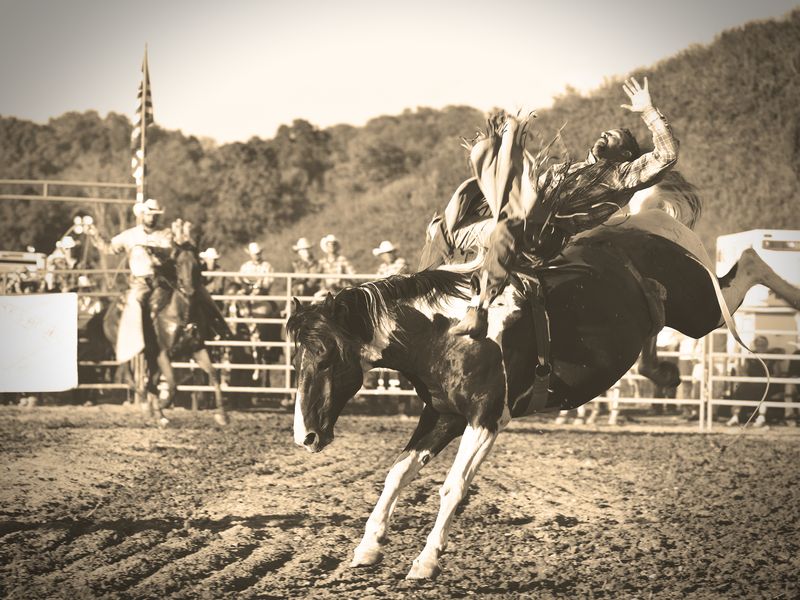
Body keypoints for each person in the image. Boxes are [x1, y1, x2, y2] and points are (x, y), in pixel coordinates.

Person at [450, 77, 679, 338]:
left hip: (545, 234)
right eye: (604, 132)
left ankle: (477, 311)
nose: (604, 134)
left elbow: (667, 154)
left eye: (614, 136)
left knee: (511, 224)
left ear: (625, 154)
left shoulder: (622, 175)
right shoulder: (567, 169)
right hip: (525, 214)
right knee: (454, 210)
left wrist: (648, 110)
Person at [87, 198, 174, 362]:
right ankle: (136, 344)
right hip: (141, 282)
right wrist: (96, 235)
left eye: (155, 215)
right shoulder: (130, 236)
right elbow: (109, 247)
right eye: (149, 214)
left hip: (164, 281)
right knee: (134, 303)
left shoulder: (165, 234)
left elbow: (169, 252)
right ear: (142, 215)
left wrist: (155, 250)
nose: (152, 218)